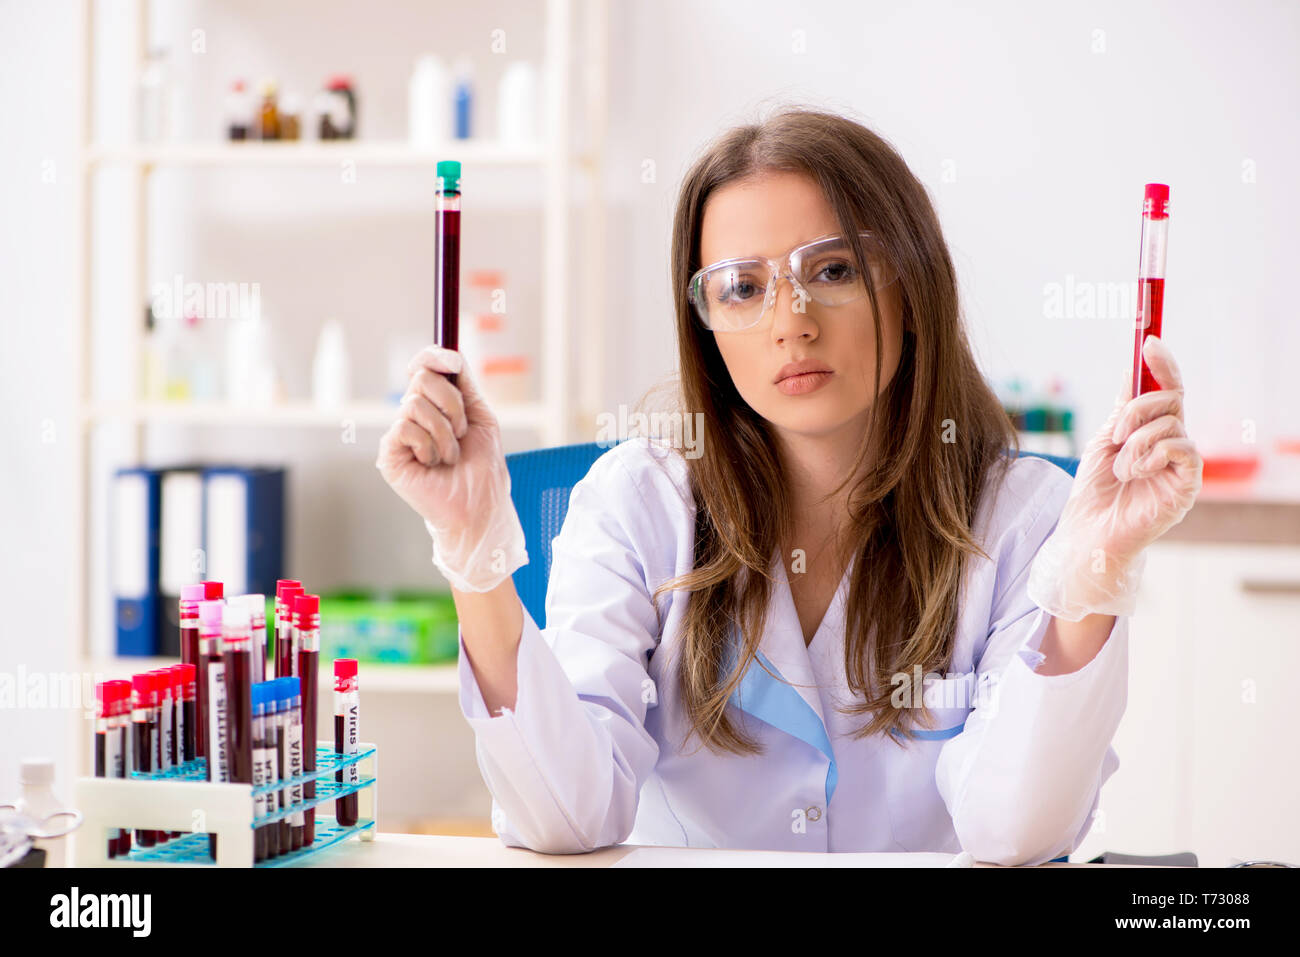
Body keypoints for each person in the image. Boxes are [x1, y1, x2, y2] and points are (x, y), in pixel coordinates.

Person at [376, 108, 1202, 863]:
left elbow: (1015, 834)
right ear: (706, 325)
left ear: (911, 291)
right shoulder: (636, 504)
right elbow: (572, 818)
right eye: (742, 286)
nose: (790, 320)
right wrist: (477, 553)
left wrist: (1092, 578)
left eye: (834, 269)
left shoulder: (1022, 518)